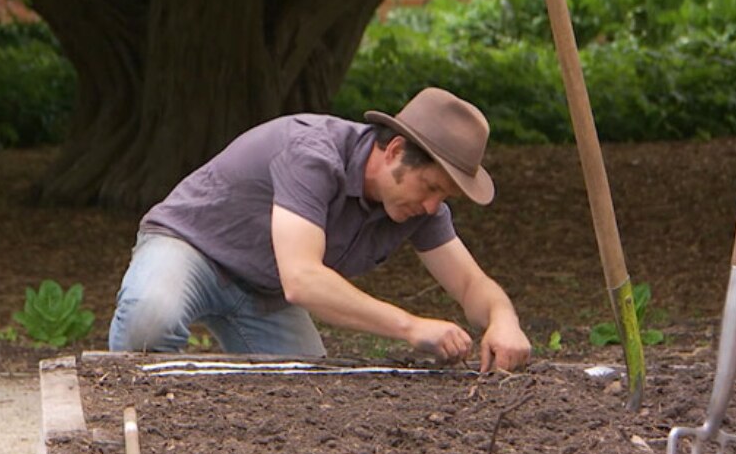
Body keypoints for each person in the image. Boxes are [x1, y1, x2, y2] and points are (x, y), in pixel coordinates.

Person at [108, 87, 531, 372]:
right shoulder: (312, 153)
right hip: (190, 249)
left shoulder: (420, 208)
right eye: (431, 187)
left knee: (310, 388)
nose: (432, 206)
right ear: (396, 151)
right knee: (150, 320)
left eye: (444, 198)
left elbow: (472, 283)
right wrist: (410, 326)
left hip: (264, 292)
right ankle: (128, 423)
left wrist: (503, 318)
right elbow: (303, 280)